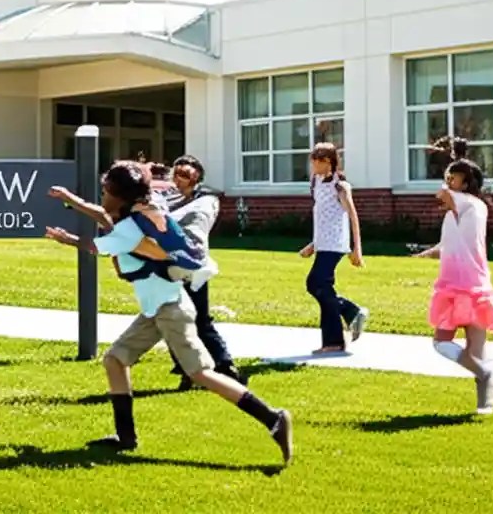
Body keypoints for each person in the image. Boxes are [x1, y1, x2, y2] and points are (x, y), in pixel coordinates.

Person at [45, 160, 294, 464]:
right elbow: (105, 217)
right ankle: (125, 438)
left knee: (202, 373)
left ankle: (273, 418)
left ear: (119, 195)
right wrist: (72, 200)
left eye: (106, 190)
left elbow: (97, 246)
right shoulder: (139, 213)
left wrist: (66, 239)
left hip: (171, 311)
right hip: (155, 309)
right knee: (114, 360)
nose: (103, 196)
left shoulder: (129, 228)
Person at [413, 156, 493, 415]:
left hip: (464, 285)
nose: (447, 183)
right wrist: (427, 253)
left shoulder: (468, 203)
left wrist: (447, 157)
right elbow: (450, 245)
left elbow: (441, 193)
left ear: (466, 183)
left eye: (453, 178)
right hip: (467, 283)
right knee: (472, 351)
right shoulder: (461, 210)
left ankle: (485, 388)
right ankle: (486, 384)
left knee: (448, 344)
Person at [163, 154, 245, 390]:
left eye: (186, 175)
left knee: (200, 320)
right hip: (169, 269)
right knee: (172, 321)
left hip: (194, 269)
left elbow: (195, 228)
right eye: (176, 174)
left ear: (196, 177)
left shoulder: (204, 201)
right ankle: (188, 370)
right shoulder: (169, 199)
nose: (180, 180)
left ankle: (225, 365)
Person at [300, 143, 368, 354]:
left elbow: (353, 217)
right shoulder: (316, 182)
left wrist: (357, 250)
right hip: (324, 244)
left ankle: (351, 311)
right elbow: (323, 217)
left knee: (315, 283)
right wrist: (313, 244)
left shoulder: (340, 186)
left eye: (316, 160)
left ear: (328, 161)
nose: (313, 164)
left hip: (336, 244)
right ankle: (333, 341)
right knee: (321, 287)